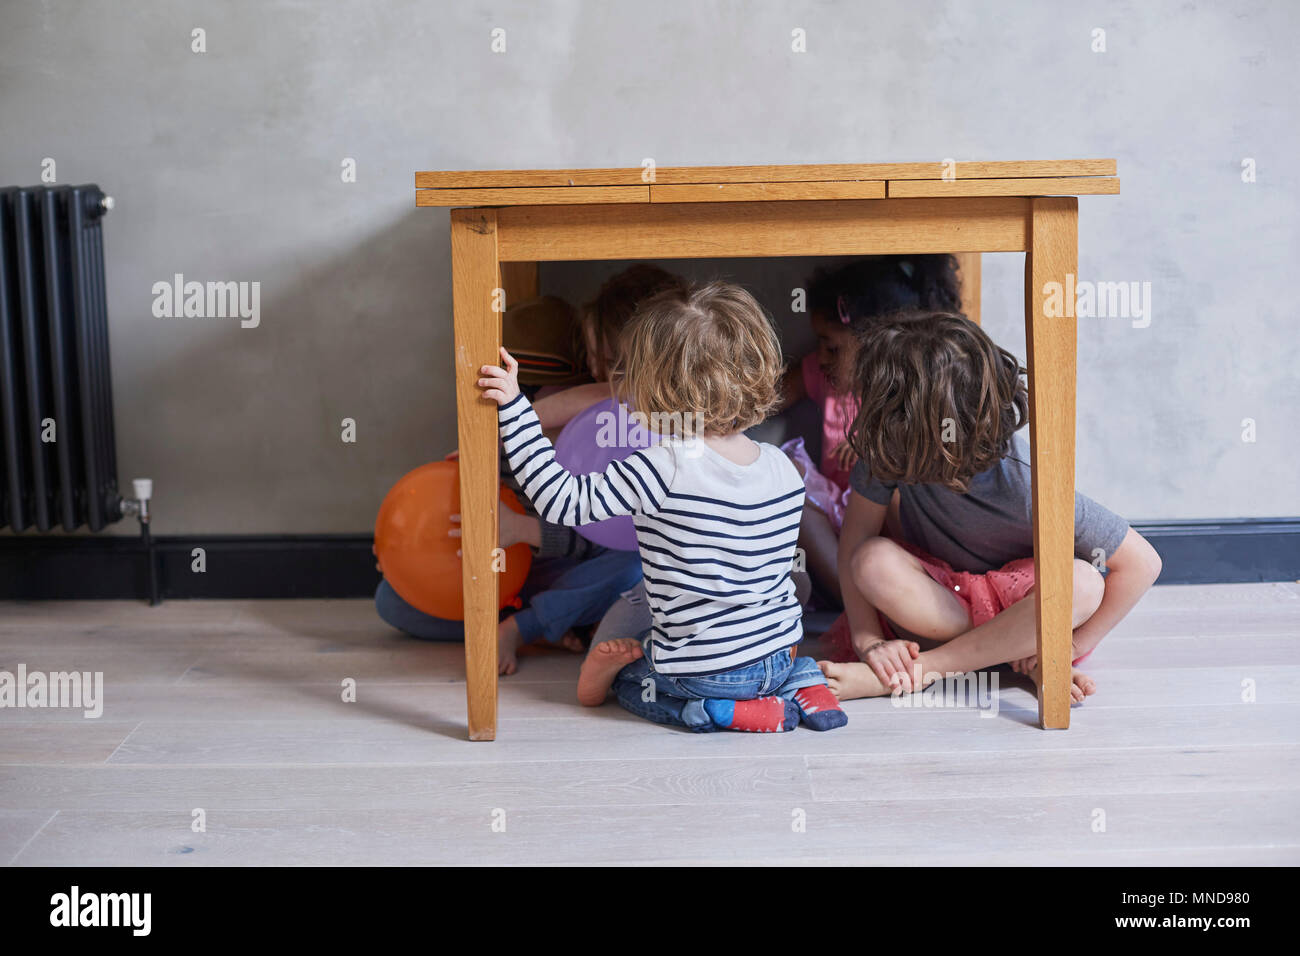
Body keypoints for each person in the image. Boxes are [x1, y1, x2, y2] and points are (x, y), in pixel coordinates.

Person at [479, 281, 847, 733]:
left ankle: (716, 711)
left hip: (709, 670)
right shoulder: (783, 466)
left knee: (631, 681)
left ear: (652, 387)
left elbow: (560, 500)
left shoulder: (662, 466)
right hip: (782, 651)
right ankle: (803, 681)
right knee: (755, 647)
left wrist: (516, 412)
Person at [816, 311, 1163, 702]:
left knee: (1082, 583)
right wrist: (870, 641)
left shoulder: (1023, 484)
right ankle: (1007, 653)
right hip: (949, 602)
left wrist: (1067, 650)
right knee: (870, 559)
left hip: (1022, 603)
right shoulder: (892, 452)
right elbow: (856, 540)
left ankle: (923, 671)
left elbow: (1142, 564)